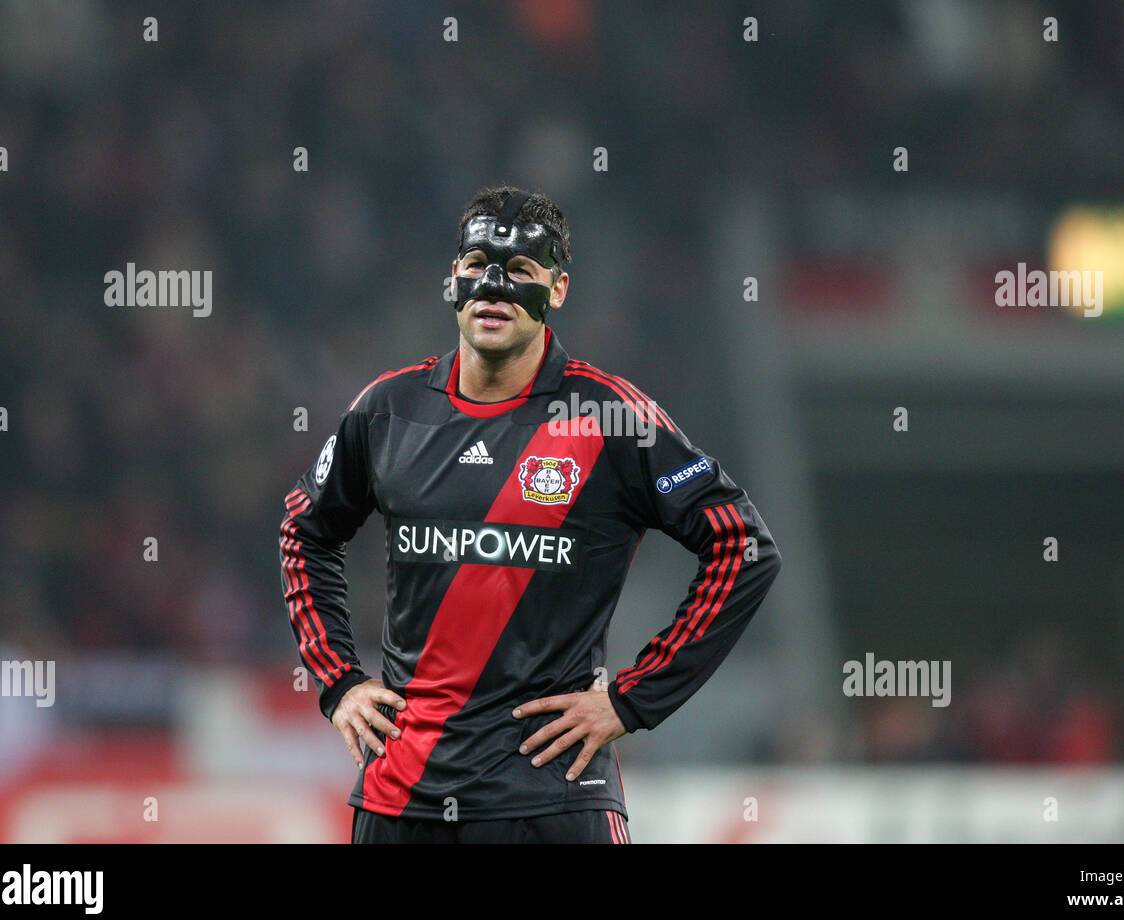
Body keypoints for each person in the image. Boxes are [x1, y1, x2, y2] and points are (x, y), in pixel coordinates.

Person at [279, 186, 781, 843]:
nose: (494, 285)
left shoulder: (610, 418)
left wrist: (634, 700)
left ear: (559, 289)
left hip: (552, 797)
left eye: (520, 271)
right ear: (452, 278)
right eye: (479, 262)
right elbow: (304, 533)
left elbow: (743, 547)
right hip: (404, 798)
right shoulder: (387, 411)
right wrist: (339, 681)